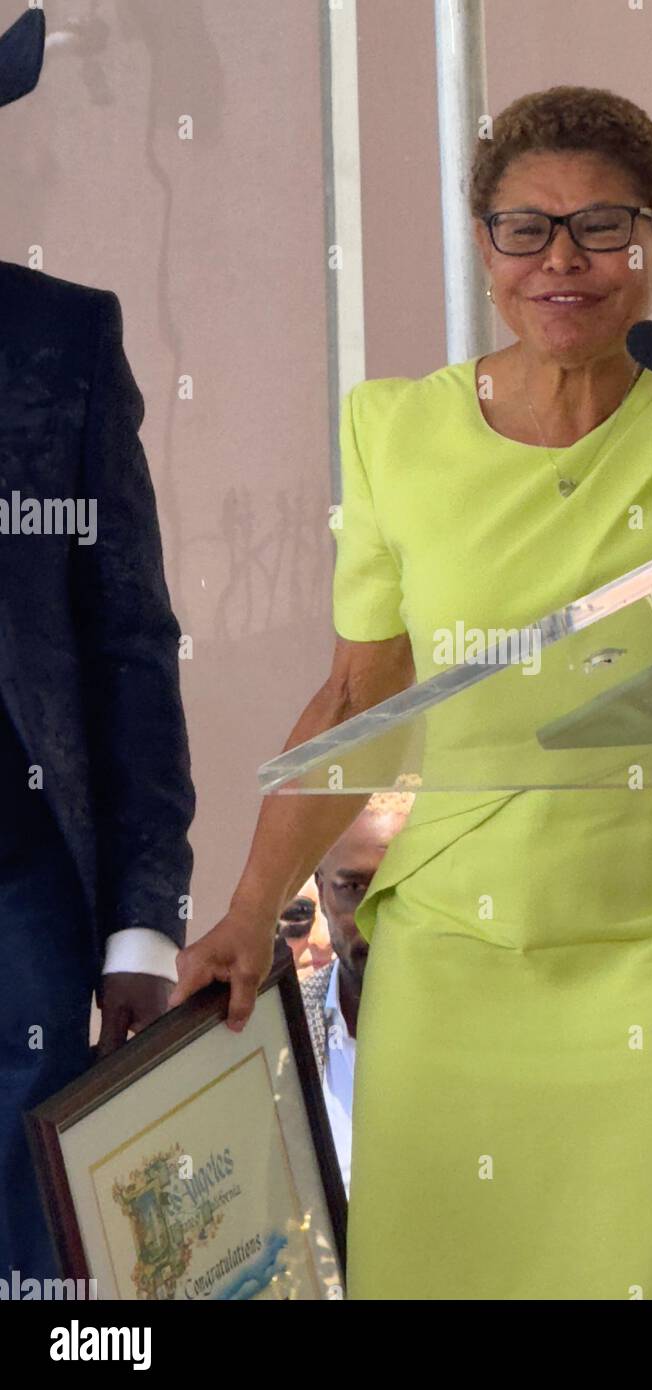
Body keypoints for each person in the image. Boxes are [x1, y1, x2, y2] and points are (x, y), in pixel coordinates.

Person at [173, 85, 652, 1299]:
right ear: (483, 241)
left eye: (605, 227)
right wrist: (248, 912)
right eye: (525, 228)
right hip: (454, 969)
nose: (564, 261)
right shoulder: (394, 431)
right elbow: (357, 692)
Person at [0, 6, 194, 1282]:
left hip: (21, 897)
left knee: (37, 1253)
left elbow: (130, 639)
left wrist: (143, 921)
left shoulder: (63, 339)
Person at [300, 788, 414, 1195]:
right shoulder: (281, 1035)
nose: (375, 915)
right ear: (321, 890)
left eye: (400, 888)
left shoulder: (495, 1032)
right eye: (354, 888)